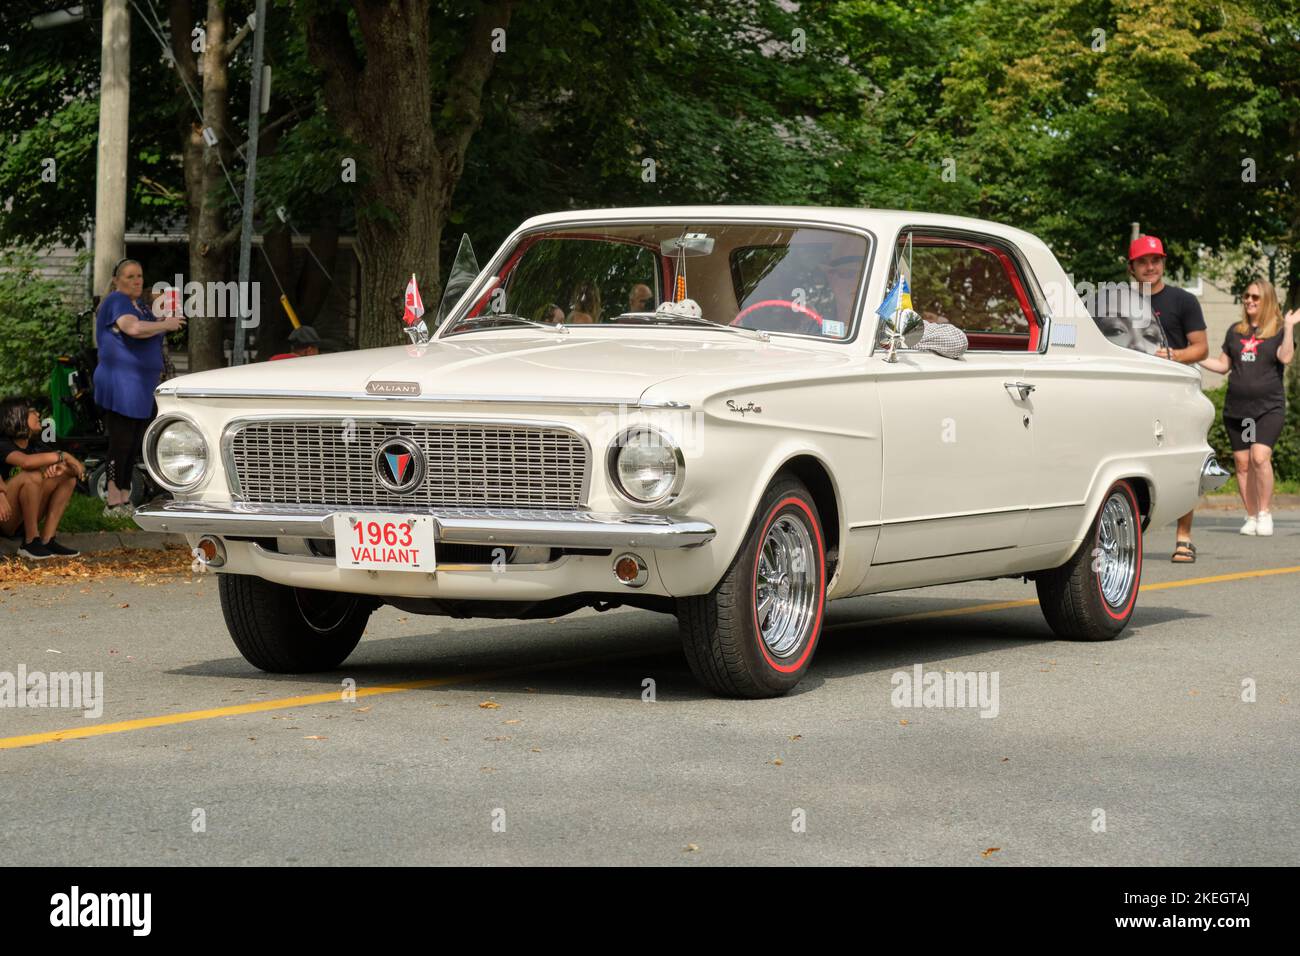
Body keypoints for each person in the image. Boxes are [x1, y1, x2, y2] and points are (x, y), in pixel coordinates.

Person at [1129, 235, 1209, 562]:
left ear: (1162, 263)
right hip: (1135, 393)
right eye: (1144, 262)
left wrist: (1173, 356)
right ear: (1132, 267)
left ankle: (1184, 538)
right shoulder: (1120, 304)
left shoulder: (1183, 301)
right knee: (1130, 459)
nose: (1151, 267)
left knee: (1183, 461)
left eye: (1156, 261)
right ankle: (1126, 537)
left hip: (1177, 390)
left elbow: (1201, 348)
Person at [1198, 279, 1298, 536]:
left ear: (1266, 300)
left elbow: (1286, 358)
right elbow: (1223, 365)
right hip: (1239, 410)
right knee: (1242, 464)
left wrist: (1288, 327)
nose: (1250, 301)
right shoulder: (1236, 331)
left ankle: (1264, 513)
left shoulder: (1276, 330)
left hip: (1267, 409)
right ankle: (1251, 514)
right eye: (1247, 296)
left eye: (1255, 297)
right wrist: (1191, 356)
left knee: (1259, 457)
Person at [93, 258, 184, 517]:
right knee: (120, 442)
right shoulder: (116, 301)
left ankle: (123, 498)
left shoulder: (139, 305)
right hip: (121, 383)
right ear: (116, 280)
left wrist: (167, 305)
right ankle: (112, 501)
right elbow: (131, 328)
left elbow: (155, 309)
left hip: (140, 385)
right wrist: (165, 324)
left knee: (133, 443)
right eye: (130, 276)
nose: (136, 280)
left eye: (140, 275)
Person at [0, 400, 86, 559]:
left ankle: (47, 540)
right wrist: (63, 455)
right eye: (32, 412)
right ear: (15, 416)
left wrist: (64, 467)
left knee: (66, 478)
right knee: (31, 475)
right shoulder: (3, 444)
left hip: (21, 516)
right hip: (4, 517)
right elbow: (26, 462)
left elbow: (78, 471)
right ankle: (31, 541)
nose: (38, 415)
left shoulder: (36, 446)